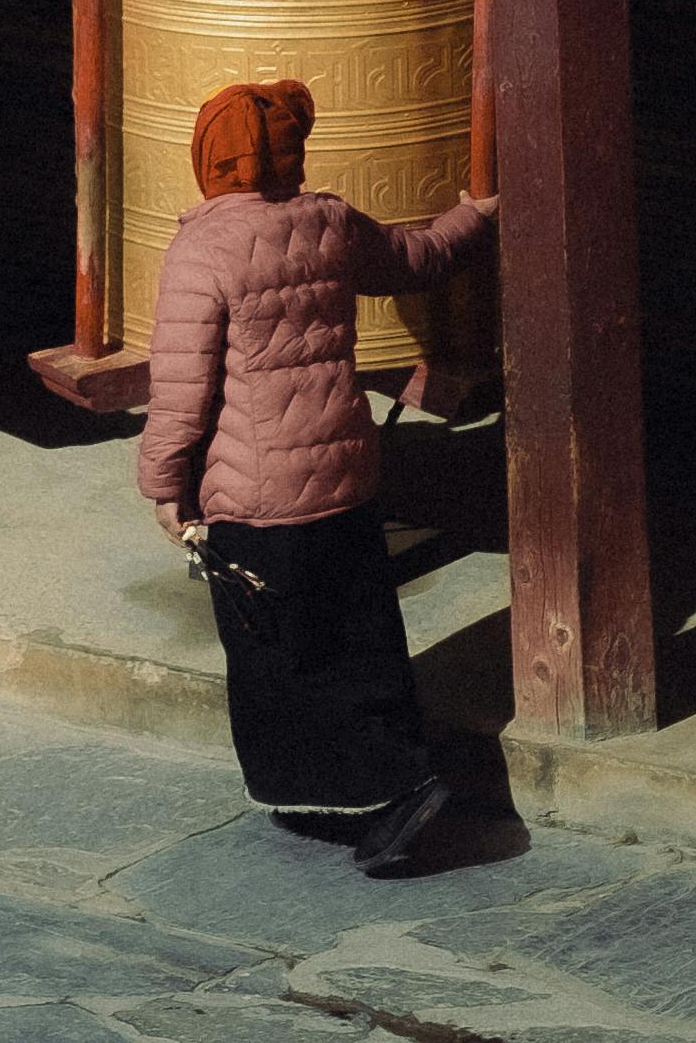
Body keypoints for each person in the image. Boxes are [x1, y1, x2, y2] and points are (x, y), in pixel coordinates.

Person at [137, 78, 496, 878]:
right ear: (289, 156)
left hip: (256, 495)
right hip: (345, 474)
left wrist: (163, 483)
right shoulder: (328, 222)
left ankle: (375, 798)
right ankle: (394, 775)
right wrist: (475, 213)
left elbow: (181, 389)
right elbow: (417, 257)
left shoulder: (201, 249)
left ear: (206, 161)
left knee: (283, 656)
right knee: (362, 632)